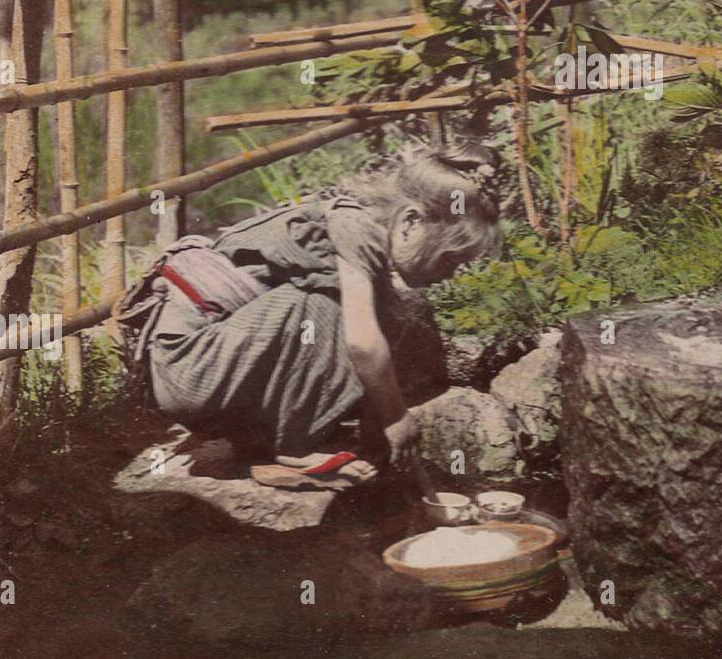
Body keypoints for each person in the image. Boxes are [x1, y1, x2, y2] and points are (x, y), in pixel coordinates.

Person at [130, 141, 500, 490]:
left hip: (216, 370)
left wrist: (378, 424)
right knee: (328, 307)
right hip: (187, 370)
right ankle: (293, 448)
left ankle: (271, 437)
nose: (451, 273)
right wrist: (396, 418)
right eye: (450, 258)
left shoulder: (367, 234)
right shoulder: (357, 228)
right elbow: (363, 345)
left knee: (380, 311)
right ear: (410, 222)